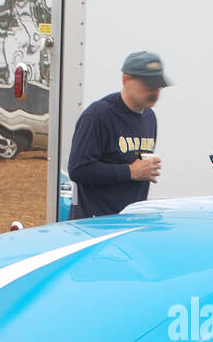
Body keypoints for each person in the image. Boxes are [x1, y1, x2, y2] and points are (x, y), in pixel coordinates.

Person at [67, 51, 169, 219]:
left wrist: (145, 170)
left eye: (158, 86)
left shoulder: (149, 117)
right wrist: (130, 171)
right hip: (94, 224)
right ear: (126, 80)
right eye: (148, 85)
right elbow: (78, 169)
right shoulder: (98, 115)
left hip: (129, 222)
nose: (154, 92)